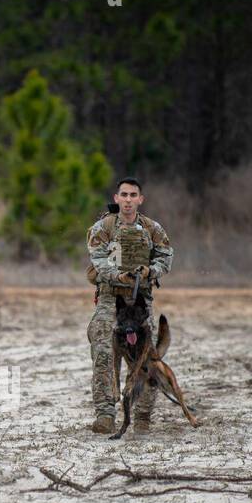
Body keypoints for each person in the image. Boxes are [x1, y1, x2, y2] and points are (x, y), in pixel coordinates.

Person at [84, 177, 173, 433]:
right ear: (116, 198)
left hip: (140, 299)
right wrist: (118, 275)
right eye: (124, 195)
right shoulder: (103, 228)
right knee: (103, 350)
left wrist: (149, 271)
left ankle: (142, 415)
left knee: (146, 357)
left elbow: (166, 258)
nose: (128, 200)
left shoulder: (152, 229)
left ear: (140, 199)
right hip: (111, 297)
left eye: (133, 195)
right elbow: (98, 260)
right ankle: (105, 414)